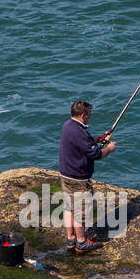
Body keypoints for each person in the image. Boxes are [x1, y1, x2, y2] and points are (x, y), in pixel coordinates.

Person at [58, 100, 116, 253]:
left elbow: (83, 142)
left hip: (65, 175)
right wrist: (108, 148)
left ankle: (71, 239)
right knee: (81, 212)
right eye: (89, 114)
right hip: (79, 179)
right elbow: (96, 154)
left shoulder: (69, 126)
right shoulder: (79, 132)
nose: (90, 116)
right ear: (83, 115)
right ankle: (82, 242)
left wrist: (98, 139)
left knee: (69, 207)